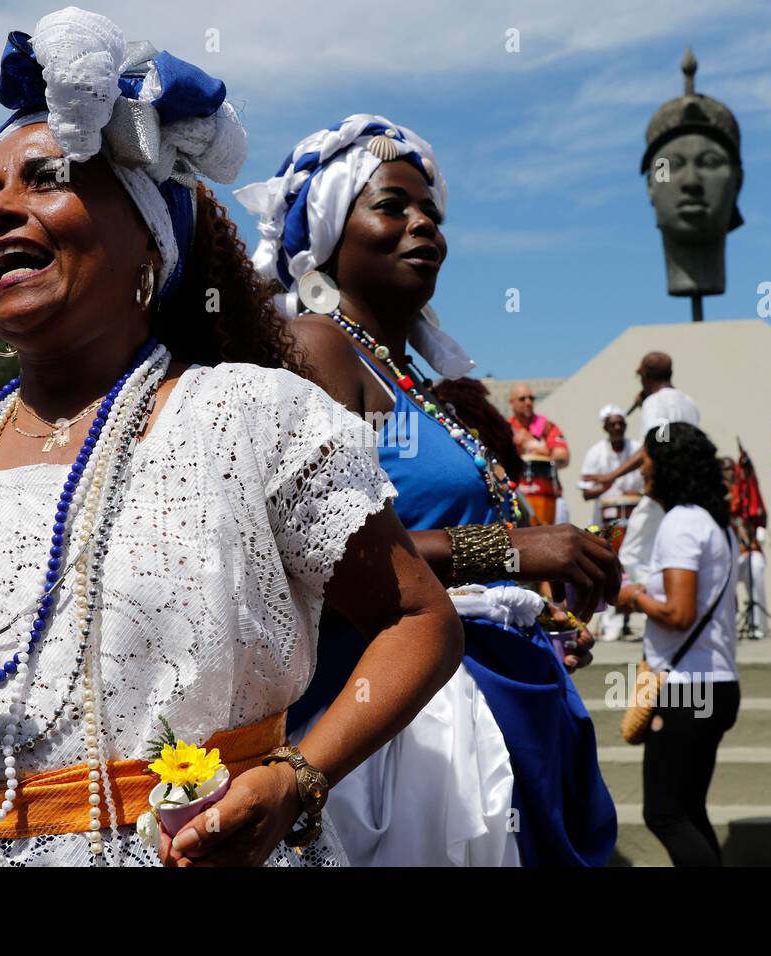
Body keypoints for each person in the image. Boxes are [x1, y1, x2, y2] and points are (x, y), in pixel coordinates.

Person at [0, 8, 464, 869]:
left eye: (46, 178)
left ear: (150, 242)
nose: (2, 209)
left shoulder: (252, 420)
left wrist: (300, 776)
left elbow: (420, 620)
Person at [237, 114, 620, 866]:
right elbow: (323, 557)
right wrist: (512, 551)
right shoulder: (318, 348)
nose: (423, 226)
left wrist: (520, 608)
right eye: (391, 207)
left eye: (432, 214)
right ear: (325, 236)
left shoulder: (412, 381)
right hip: (403, 735)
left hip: (494, 705)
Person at [615, 422, 739, 866]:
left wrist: (633, 596)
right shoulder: (718, 525)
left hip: (689, 687)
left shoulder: (681, 523)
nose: (640, 471)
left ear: (666, 466)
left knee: (664, 813)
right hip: (716, 682)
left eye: (645, 462)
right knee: (688, 809)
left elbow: (679, 614)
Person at [585, 351, 700, 587]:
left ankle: (655, 600)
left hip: (664, 488)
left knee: (631, 552)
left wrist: (612, 476)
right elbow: (669, 433)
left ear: (645, 375)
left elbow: (656, 444)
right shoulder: (689, 402)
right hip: (693, 487)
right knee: (676, 544)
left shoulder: (654, 403)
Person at [580, 405, 643, 640]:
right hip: (605, 518)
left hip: (637, 517)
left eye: (621, 424)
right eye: (613, 424)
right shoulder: (596, 452)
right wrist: (606, 486)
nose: (617, 428)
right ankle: (611, 622)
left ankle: (637, 616)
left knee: (635, 564)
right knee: (610, 566)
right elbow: (586, 493)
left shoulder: (637, 449)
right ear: (605, 427)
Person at [508, 383, 570, 525]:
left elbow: (563, 457)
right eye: (522, 399)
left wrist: (540, 449)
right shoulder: (504, 427)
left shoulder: (547, 426)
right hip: (515, 497)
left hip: (549, 497)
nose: (528, 402)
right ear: (511, 402)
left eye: (531, 398)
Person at [721, 455, 767, 639]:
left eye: (732, 468)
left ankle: (756, 624)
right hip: (722, 555)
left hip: (744, 552)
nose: (730, 472)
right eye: (725, 469)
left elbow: (759, 517)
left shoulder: (746, 491)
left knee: (755, 564)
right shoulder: (712, 493)